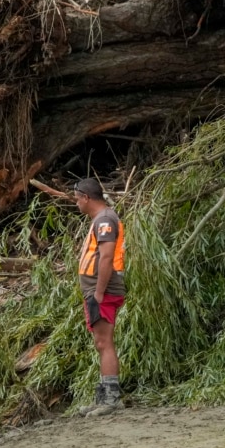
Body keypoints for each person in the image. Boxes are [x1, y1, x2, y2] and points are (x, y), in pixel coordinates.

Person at [73, 177, 127, 416]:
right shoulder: (100, 219)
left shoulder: (105, 220)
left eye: (77, 200)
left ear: (86, 197)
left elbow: (106, 257)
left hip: (103, 290)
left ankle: (111, 400)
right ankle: (104, 396)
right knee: (100, 343)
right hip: (96, 289)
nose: (76, 204)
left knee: (104, 342)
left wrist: (99, 291)